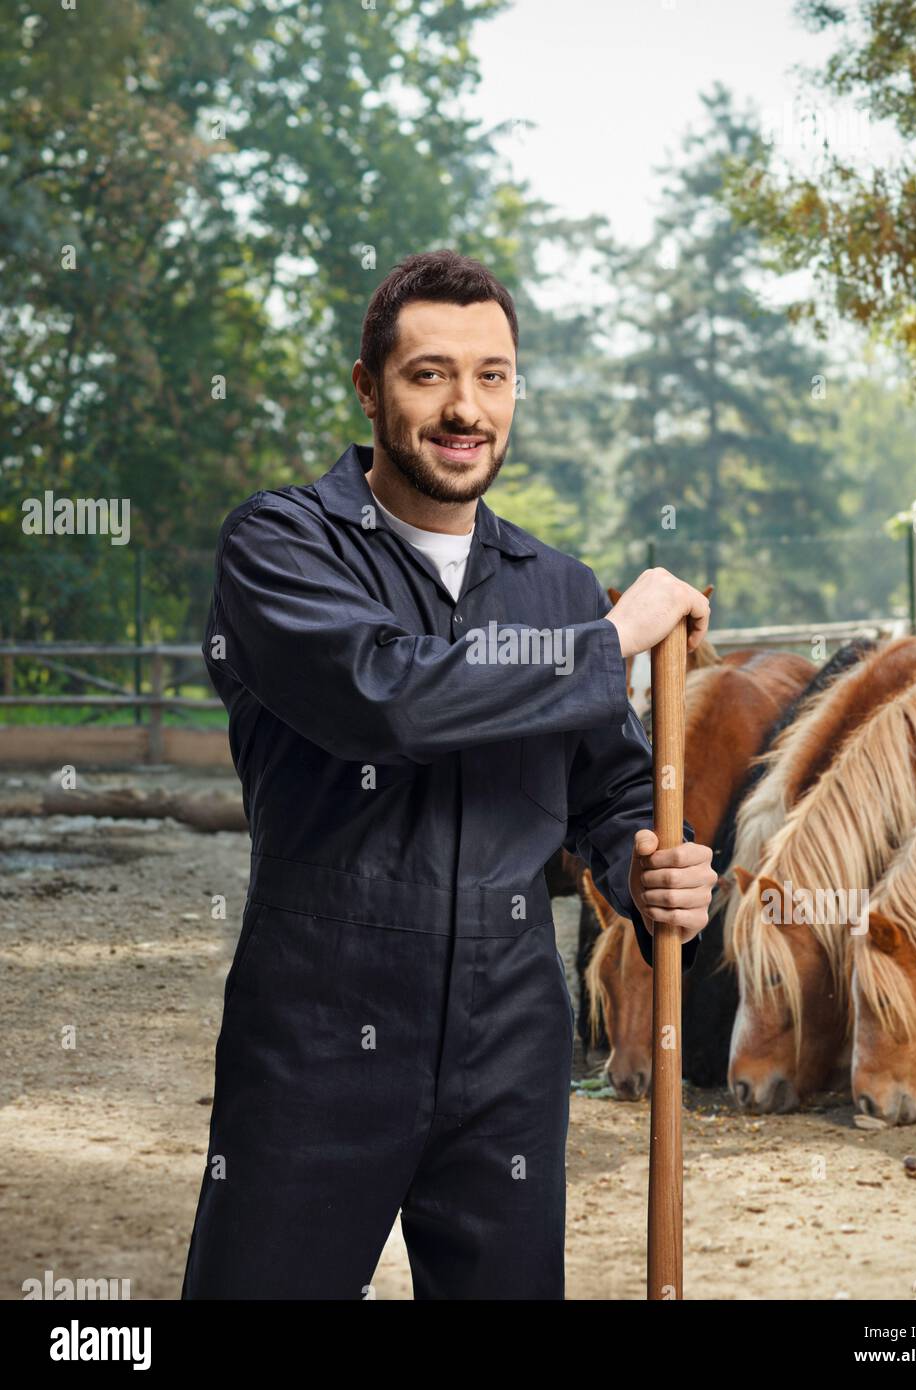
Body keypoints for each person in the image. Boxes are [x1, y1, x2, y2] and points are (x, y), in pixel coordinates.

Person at [181, 248, 716, 1301]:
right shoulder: (282, 543)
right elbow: (389, 694)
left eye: (493, 375)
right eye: (428, 374)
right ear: (368, 387)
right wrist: (609, 642)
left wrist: (648, 863)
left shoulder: (554, 583)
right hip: (318, 1029)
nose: (465, 407)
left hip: (511, 1037)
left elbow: (605, 783)